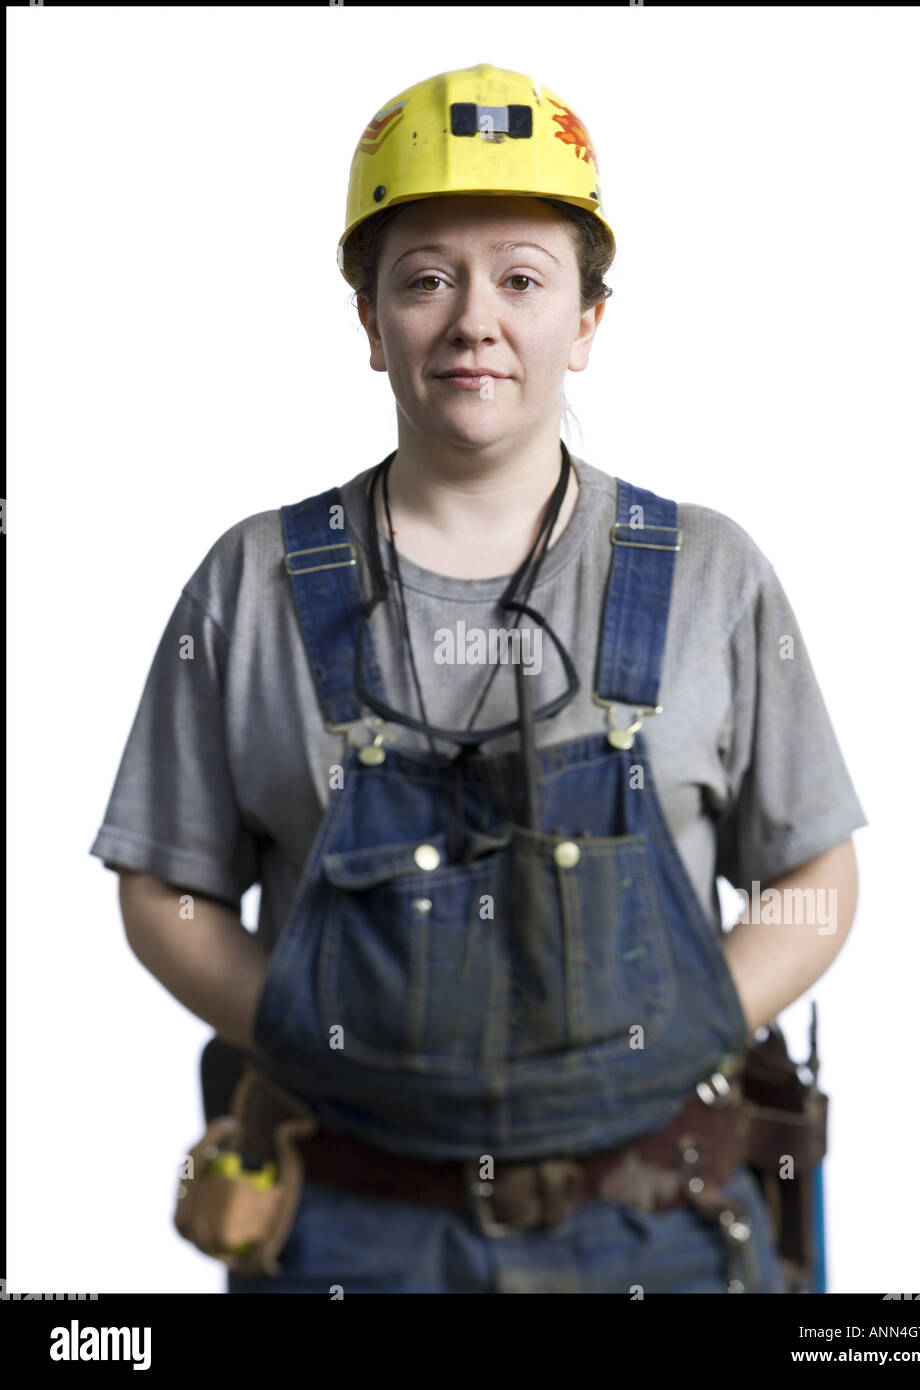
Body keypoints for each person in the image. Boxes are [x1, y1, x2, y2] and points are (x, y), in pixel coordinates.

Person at [90, 63, 868, 1294]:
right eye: (425, 279)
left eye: (520, 277)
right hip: (348, 1228)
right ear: (367, 319)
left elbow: (818, 872)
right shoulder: (250, 583)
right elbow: (161, 887)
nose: (474, 321)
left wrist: (691, 1022)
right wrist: (306, 1034)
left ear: (589, 320)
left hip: (657, 1232)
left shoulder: (712, 575)